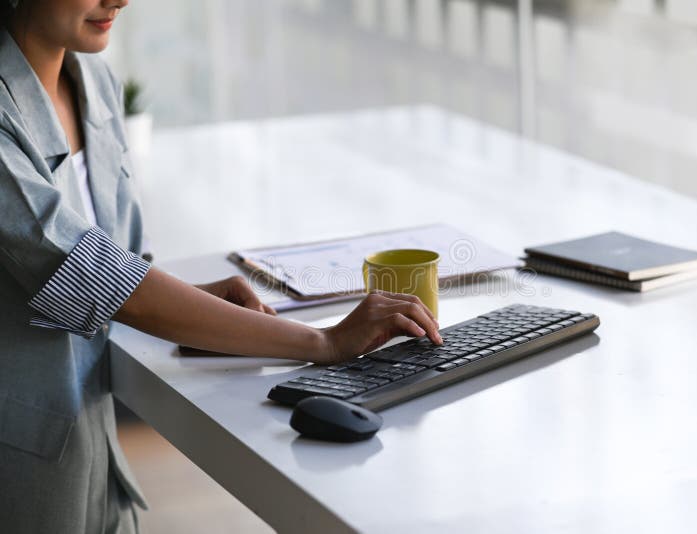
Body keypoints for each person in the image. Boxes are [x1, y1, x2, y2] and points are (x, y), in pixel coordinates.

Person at [0, 0, 442, 531]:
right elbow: (95, 276)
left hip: (91, 449)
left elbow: (120, 269)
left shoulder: (94, 82)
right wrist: (323, 343)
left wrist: (196, 300)